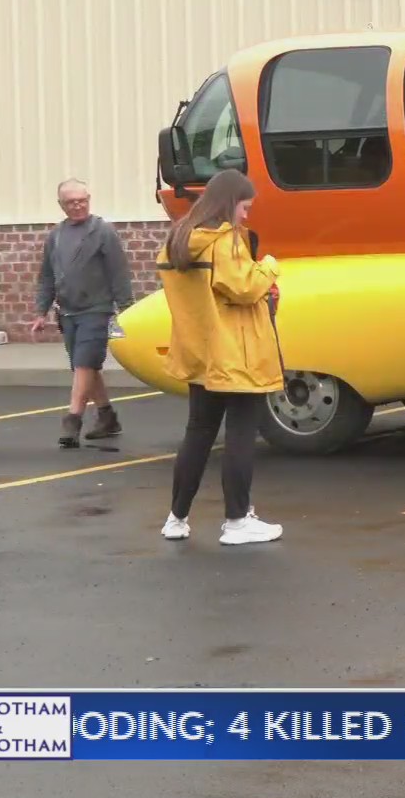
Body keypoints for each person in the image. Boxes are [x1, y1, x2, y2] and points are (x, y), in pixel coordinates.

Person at [153, 169, 284, 545]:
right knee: (242, 433)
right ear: (229, 203)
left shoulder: (178, 239)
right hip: (236, 352)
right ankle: (237, 521)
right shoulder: (225, 241)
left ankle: (176, 518)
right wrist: (270, 265)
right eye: (245, 207)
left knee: (198, 433)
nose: (246, 216)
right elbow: (244, 288)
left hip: (199, 352)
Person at [30, 179, 135, 449]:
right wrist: (41, 311)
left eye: (82, 200)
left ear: (89, 198)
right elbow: (47, 276)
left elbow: (119, 272)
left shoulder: (103, 231)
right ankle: (107, 417)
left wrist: (127, 309)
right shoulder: (56, 236)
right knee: (85, 366)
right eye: (71, 202)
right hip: (68, 312)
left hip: (96, 310)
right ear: (61, 205)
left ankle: (72, 420)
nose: (77, 206)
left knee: (84, 363)